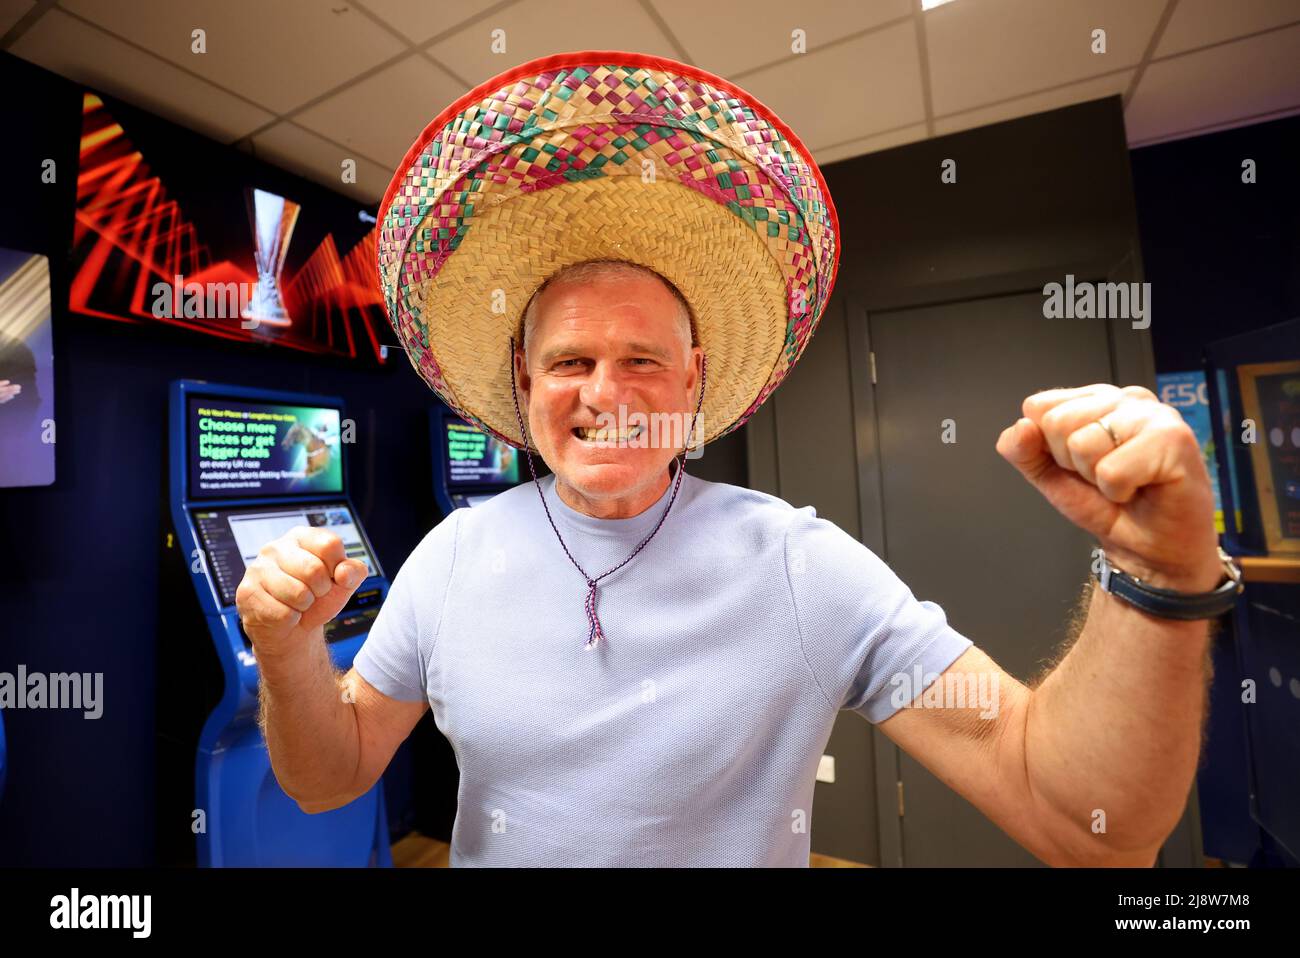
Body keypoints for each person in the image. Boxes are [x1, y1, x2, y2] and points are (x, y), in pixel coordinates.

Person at [234, 52, 1238, 867]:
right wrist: (286, 656)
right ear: (525, 386)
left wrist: (1158, 575)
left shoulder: (798, 566)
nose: (606, 394)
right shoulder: (451, 556)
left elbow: (1082, 819)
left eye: (643, 361)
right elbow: (330, 774)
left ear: (693, 382)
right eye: (570, 361)